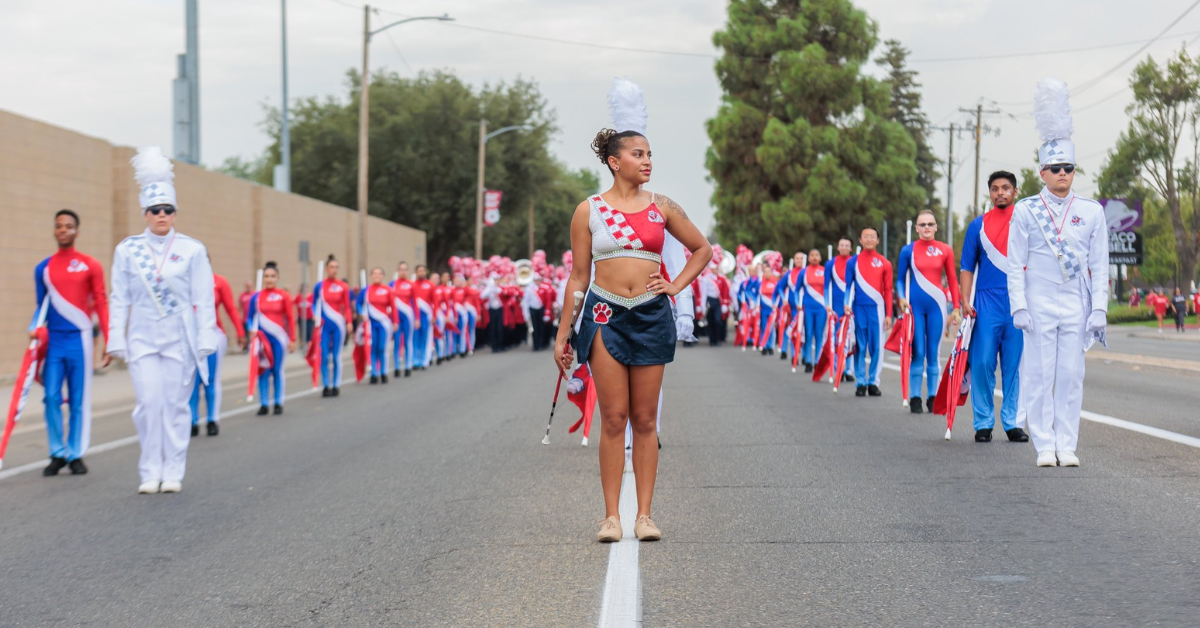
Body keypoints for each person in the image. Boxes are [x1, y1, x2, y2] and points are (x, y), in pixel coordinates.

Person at [556, 79, 711, 543]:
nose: (647, 162)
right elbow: (579, 277)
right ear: (614, 161)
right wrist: (564, 333)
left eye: (649, 155)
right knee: (613, 418)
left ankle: (644, 514)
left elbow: (701, 249)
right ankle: (611, 516)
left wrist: (675, 285)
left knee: (645, 420)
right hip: (604, 315)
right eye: (638, 154)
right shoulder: (589, 210)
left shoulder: (662, 206)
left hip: (649, 312)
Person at [1009, 78, 1108, 468]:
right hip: (1038, 299)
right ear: (1042, 172)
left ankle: (1067, 444)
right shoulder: (1025, 210)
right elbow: (1016, 264)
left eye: (1068, 167)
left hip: (1075, 300)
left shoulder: (1093, 211)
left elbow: (1099, 266)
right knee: (1038, 373)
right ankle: (1043, 445)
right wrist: (1019, 305)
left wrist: (1098, 309)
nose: (1063, 173)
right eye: (1056, 168)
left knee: (1071, 374)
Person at [108, 147, 216, 494]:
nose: (161, 215)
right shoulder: (127, 250)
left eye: (167, 210)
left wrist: (205, 337)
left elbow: (204, 297)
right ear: (145, 213)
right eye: (154, 210)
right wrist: (116, 338)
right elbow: (119, 298)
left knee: (175, 405)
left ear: (174, 213)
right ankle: (149, 470)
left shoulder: (193, 249)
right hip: (142, 336)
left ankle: (173, 470)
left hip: (178, 337)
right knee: (148, 404)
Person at [32, 209, 110, 476]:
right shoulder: (42, 268)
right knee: (51, 397)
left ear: (77, 230)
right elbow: (41, 307)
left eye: (68, 226)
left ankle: (76, 453)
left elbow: (101, 302)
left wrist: (109, 340)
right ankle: (57, 453)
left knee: (78, 399)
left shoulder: (90, 265)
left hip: (81, 340)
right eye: (59, 226)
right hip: (54, 342)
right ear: (54, 231)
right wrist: (34, 330)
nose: (63, 230)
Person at [959, 171, 1028, 443]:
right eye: (996, 188)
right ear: (990, 192)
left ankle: (1012, 423)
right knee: (983, 362)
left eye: (1006, 188)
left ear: (1015, 191)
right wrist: (965, 299)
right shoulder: (977, 226)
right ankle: (983, 422)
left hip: (1017, 302)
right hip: (985, 302)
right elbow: (967, 266)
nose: (1001, 192)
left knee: (1013, 365)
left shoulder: (1025, 223)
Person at [896, 210, 961, 413]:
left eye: (930, 224)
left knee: (933, 353)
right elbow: (899, 279)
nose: (926, 228)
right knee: (919, 352)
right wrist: (901, 298)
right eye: (922, 224)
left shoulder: (945, 250)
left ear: (936, 227)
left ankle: (932, 396)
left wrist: (957, 307)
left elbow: (952, 279)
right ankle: (915, 397)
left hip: (938, 308)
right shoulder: (908, 250)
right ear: (916, 228)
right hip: (915, 307)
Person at [190, 263, 245, 437]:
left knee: (211, 379)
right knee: (192, 380)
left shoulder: (219, 282)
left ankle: (213, 420)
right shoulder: (183, 280)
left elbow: (230, 308)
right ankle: (192, 421)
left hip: (213, 334)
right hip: (190, 337)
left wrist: (240, 332)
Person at [844, 227, 893, 396]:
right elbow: (848, 286)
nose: (869, 239)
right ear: (860, 240)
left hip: (877, 310)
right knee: (860, 346)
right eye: (866, 236)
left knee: (876, 347)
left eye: (872, 237)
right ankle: (861, 382)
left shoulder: (885, 263)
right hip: (858, 309)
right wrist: (846, 304)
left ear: (878, 240)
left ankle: (873, 382)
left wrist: (888, 314)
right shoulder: (852, 262)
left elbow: (888, 289)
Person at [248, 262, 296, 415]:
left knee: (277, 370)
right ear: (262, 278)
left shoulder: (283, 295)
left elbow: (290, 317)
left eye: (272, 276)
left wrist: (292, 339)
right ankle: (263, 403)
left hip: (279, 340)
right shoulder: (255, 297)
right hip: (262, 341)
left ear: (278, 278)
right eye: (267, 276)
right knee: (263, 370)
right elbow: (249, 318)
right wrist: (251, 329)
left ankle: (278, 402)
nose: (269, 279)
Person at [313, 256, 353, 396]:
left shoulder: (343, 286)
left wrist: (349, 322)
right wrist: (315, 315)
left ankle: (336, 385)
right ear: (326, 269)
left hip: (338, 326)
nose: (334, 270)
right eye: (331, 267)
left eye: (336, 267)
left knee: (336, 356)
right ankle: (326, 385)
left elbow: (347, 306)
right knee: (324, 356)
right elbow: (314, 304)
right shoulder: (319, 286)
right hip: (324, 326)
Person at [360, 268, 399, 383]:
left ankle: (384, 372)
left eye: (380, 273)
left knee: (382, 348)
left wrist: (395, 321)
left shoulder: (388, 290)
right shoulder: (366, 290)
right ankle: (374, 373)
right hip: (371, 324)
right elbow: (358, 304)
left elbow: (393, 307)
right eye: (374, 273)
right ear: (371, 275)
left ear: (383, 276)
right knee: (373, 348)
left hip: (384, 324)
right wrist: (362, 313)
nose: (377, 275)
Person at [824, 238, 855, 382]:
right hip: (836, 305)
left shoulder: (855, 261)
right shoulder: (830, 264)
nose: (844, 247)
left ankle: (849, 369)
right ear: (837, 247)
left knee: (850, 337)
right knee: (837, 337)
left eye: (847, 245)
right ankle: (838, 369)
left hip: (852, 304)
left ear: (851, 248)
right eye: (841, 245)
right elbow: (826, 286)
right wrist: (827, 304)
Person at [800, 249, 827, 372]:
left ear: (820, 258)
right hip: (808, 308)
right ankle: (808, 361)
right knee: (808, 334)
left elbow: (828, 288)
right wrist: (798, 303)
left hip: (821, 308)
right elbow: (796, 290)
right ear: (808, 258)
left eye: (817, 255)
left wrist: (828, 304)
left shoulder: (825, 271)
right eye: (812, 255)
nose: (814, 257)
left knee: (819, 335)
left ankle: (817, 361)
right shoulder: (804, 272)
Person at [391, 262, 416, 377]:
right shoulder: (392, 284)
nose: (403, 271)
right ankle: (396, 367)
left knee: (407, 341)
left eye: (405, 269)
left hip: (408, 318)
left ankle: (408, 366)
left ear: (408, 271)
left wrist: (417, 318)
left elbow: (415, 303)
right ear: (398, 270)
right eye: (401, 269)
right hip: (396, 319)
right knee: (396, 342)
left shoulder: (411, 285)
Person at [412, 265, 434, 369]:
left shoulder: (430, 285)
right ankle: (416, 360)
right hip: (415, 316)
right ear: (416, 272)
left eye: (423, 270)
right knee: (415, 338)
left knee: (425, 338)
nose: (421, 272)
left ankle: (425, 360)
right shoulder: (412, 285)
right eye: (419, 271)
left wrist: (434, 315)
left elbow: (435, 301)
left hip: (426, 316)